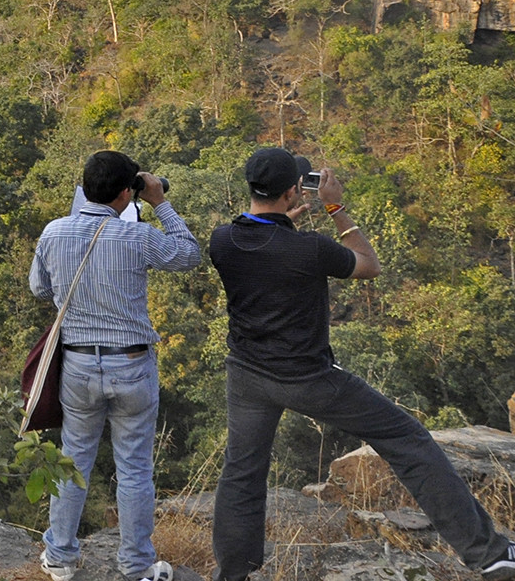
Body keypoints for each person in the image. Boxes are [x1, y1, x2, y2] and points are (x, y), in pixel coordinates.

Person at [209, 148, 515, 580]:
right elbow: (369, 265)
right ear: (293, 191)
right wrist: (336, 207)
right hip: (308, 377)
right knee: (407, 439)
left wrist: (282, 221)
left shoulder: (223, 240)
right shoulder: (311, 249)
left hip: (247, 375)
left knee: (242, 472)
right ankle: (489, 554)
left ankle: (233, 574)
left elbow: (265, 245)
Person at [29, 149, 199, 581]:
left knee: (73, 462)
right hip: (132, 364)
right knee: (135, 469)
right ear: (127, 193)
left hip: (78, 364)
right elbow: (188, 254)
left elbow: (39, 288)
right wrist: (160, 202)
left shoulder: (54, 231)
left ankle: (60, 557)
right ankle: (137, 565)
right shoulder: (137, 236)